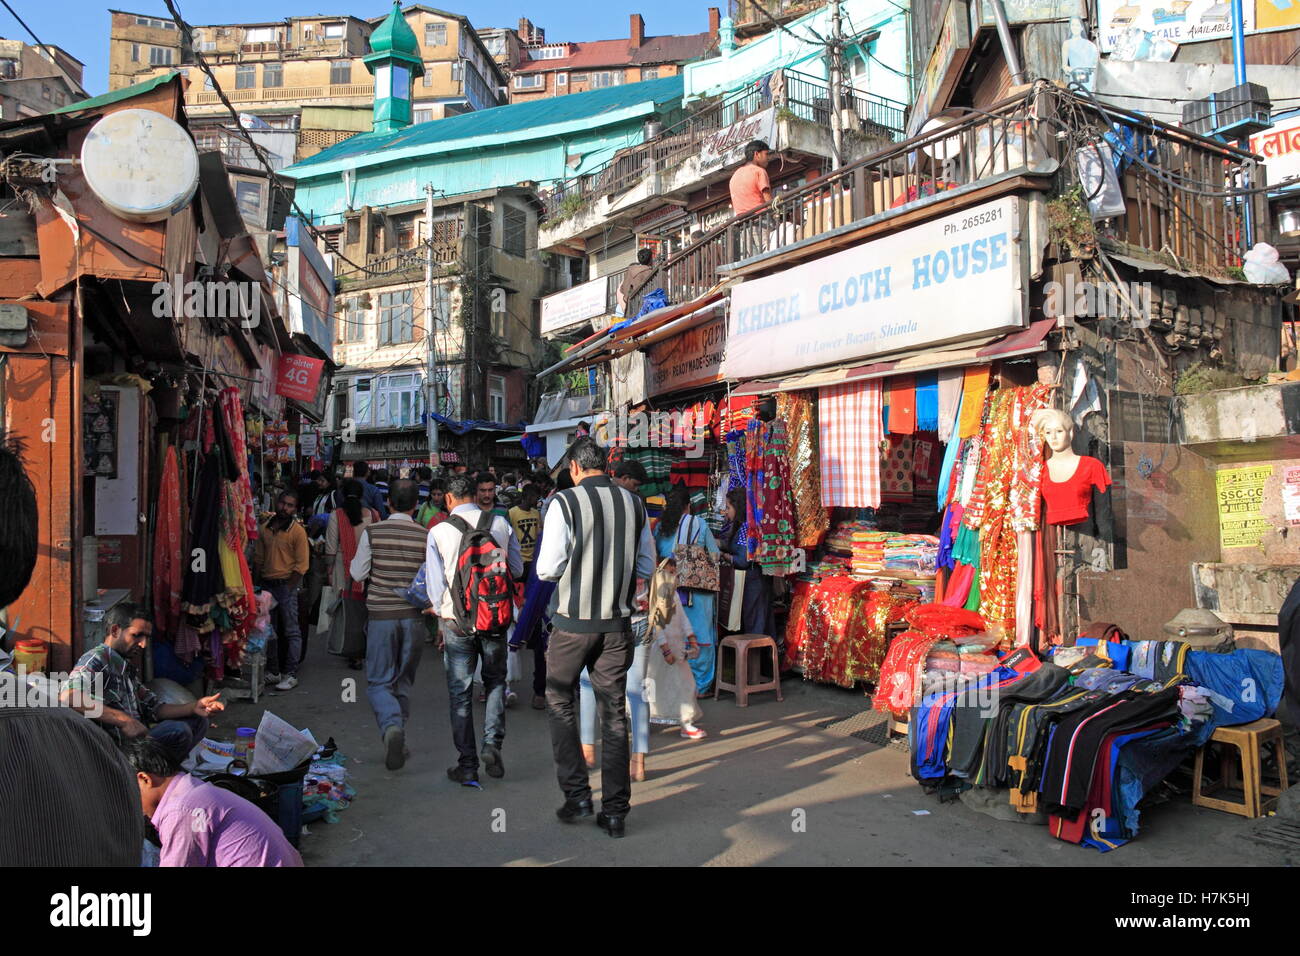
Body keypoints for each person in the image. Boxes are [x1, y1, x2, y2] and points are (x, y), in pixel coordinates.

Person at [536, 437, 656, 838]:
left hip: (572, 625)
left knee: (559, 699)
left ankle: (577, 794)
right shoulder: (634, 504)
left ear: (573, 468)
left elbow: (548, 569)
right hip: (617, 627)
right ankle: (616, 811)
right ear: (605, 466)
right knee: (613, 712)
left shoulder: (563, 503)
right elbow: (646, 564)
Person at [425, 473, 523, 787]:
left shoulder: (439, 531)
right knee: (495, 683)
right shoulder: (500, 524)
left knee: (460, 694)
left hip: (458, 623)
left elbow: (435, 587)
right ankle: (492, 744)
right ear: (473, 494)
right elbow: (517, 570)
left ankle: (467, 765)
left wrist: (442, 621)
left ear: (449, 499)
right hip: (495, 618)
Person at [60, 602, 226, 756]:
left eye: (146, 638)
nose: (143, 644)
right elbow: (69, 697)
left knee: (199, 722)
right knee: (178, 730)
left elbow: (155, 709)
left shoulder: (125, 668)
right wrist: (124, 721)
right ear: (115, 631)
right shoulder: (97, 659)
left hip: (140, 743)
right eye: (137, 636)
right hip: (118, 751)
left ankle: (161, 775)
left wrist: (194, 707)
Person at [349, 479, 429, 771]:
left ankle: (391, 728)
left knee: (380, 682)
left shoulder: (373, 532)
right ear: (416, 505)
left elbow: (358, 573)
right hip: (413, 619)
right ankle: (400, 738)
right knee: (403, 682)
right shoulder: (425, 535)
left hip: (382, 616)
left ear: (389, 504)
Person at [126, 738, 303, 867]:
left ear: (144, 779)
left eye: (125, 792)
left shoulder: (181, 810)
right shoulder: (193, 790)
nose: (128, 803)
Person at [654, 482, 720, 696]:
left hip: (668, 588)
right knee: (700, 634)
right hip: (696, 589)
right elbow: (714, 554)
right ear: (688, 506)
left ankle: (677, 684)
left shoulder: (660, 527)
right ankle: (700, 687)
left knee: (673, 634)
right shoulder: (699, 524)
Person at [642, 560, 706, 739]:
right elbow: (656, 625)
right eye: (670, 572)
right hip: (660, 652)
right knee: (651, 685)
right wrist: (665, 649)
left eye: (675, 572)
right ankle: (641, 718)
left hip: (677, 649)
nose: (674, 576)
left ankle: (686, 722)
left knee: (686, 684)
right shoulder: (656, 595)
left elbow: (683, 618)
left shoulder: (675, 594)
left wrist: (692, 637)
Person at [253, 491, 310, 690]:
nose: (285, 508)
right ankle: (274, 671)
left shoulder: (298, 532)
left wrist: (288, 588)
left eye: (290, 505)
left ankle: (290, 673)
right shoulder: (265, 529)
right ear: (277, 504)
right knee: (270, 631)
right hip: (267, 585)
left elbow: (302, 566)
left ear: (295, 509)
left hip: (286, 585)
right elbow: (259, 559)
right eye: (283, 504)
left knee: (292, 630)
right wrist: (257, 585)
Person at [324, 479, 380, 670]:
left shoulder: (336, 515)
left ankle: (352, 649)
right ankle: (364, 649)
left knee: (349, 612)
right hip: (368, 570)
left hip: (344, 569)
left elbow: (331, 548)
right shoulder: (373, 515)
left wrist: (329, 571)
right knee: (365, 611)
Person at [719, 487, 776, 640]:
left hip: (753, 581)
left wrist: (724, 556)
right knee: (757, 621)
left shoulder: (745, 528)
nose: (727, 511)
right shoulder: (741, 527)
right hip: (753, 581)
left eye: (729, 507)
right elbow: (736, 547)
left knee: (755, 624)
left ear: (737, 507)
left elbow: (743, 560)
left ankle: (755, 661)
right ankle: (761, 659)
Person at [729, 139, 772, 217]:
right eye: (766, 154)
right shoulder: (759, 171)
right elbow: (768, 200)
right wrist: (776, 214)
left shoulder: (734, 176)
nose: (768, 158)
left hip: (743, 224)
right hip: (761, 219)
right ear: (757, 154)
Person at [508, 484, 542, 581]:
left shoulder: (536, 513)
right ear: (529, 497)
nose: (537, 500)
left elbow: (538, 532)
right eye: (536, 497)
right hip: (519, 558)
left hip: (533, 558)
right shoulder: (512, 513)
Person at [617, 247, 655, 317]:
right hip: (645, 308)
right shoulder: (650, 272)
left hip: (630, 309)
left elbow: (622, 290)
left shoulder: (630, 271)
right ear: (650, 260)